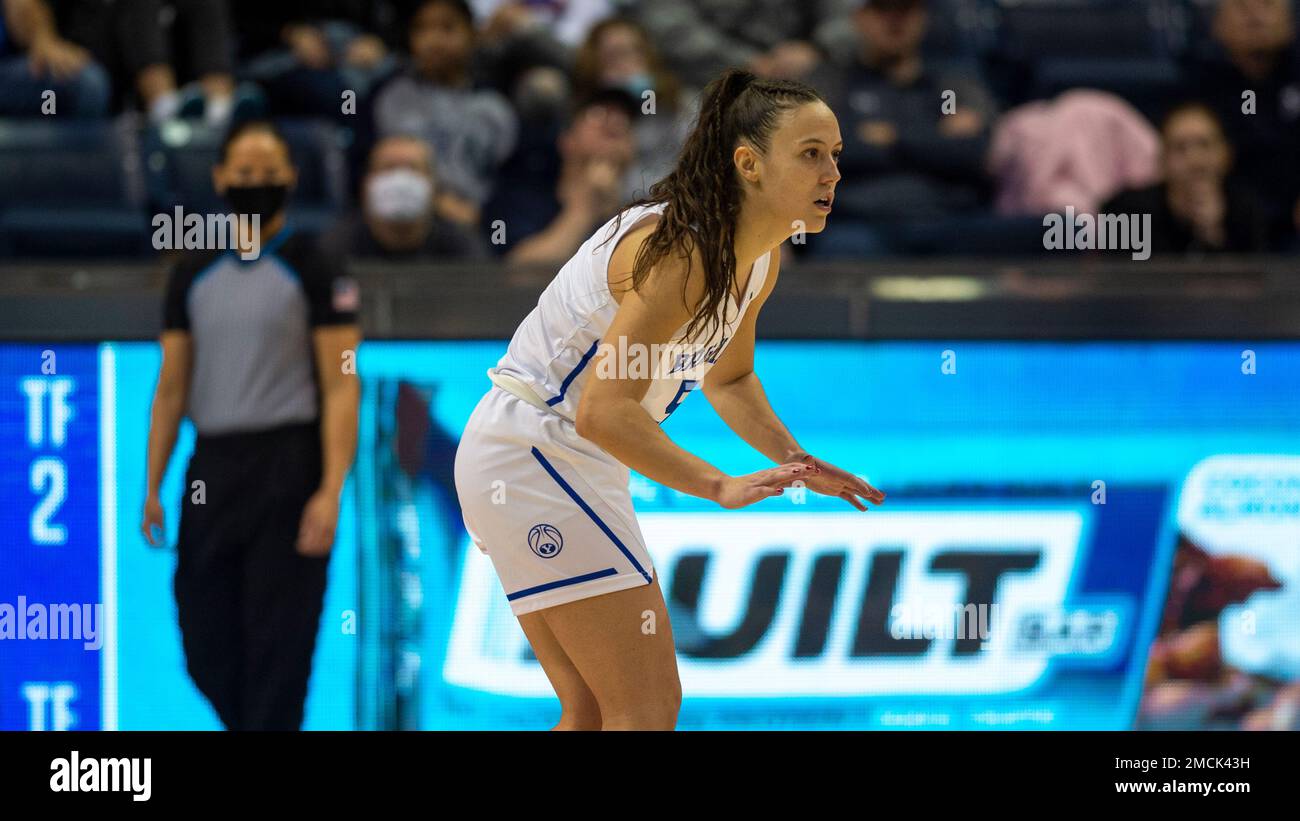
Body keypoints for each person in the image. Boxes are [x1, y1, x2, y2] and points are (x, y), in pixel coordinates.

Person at [453, 69, 886, 731]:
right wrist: (719, 485)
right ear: (748, 163)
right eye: (810, 154)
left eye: (835, 155)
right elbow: (604, 410)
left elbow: (730, 381)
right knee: (646, 709)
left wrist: (796, 459)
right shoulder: (685, 253)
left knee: (594, 710)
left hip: (535, 456)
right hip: (538, 451)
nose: (832, 172)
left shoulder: (757, 258)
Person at [140, 120, 361, 730]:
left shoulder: (315, 265)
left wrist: (330, 489)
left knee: (280, 640)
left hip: (290, 465)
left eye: (268, 173)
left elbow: (343, 383)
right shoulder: (192, 271)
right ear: (219, 179)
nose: (256, 183)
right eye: (243, 172)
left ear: (290, 178)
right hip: (212, 466)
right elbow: (172, 385)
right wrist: (153, 485)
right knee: (203, 632)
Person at [1102, 102, 1269, 254]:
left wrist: (1214, 233)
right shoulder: (1126, 214)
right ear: (1162, 160)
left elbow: (1255, 281)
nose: (1194, 160)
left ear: (1226, 154)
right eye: (1180, 148)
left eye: (1204, 144)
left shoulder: (1248, 213)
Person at [325, 134, 490, 260]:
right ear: (366, 183)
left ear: (434, 185)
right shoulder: (335, 249)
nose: (400, 180)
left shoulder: (462, 249)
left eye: (412, 169)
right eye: (388, 168)